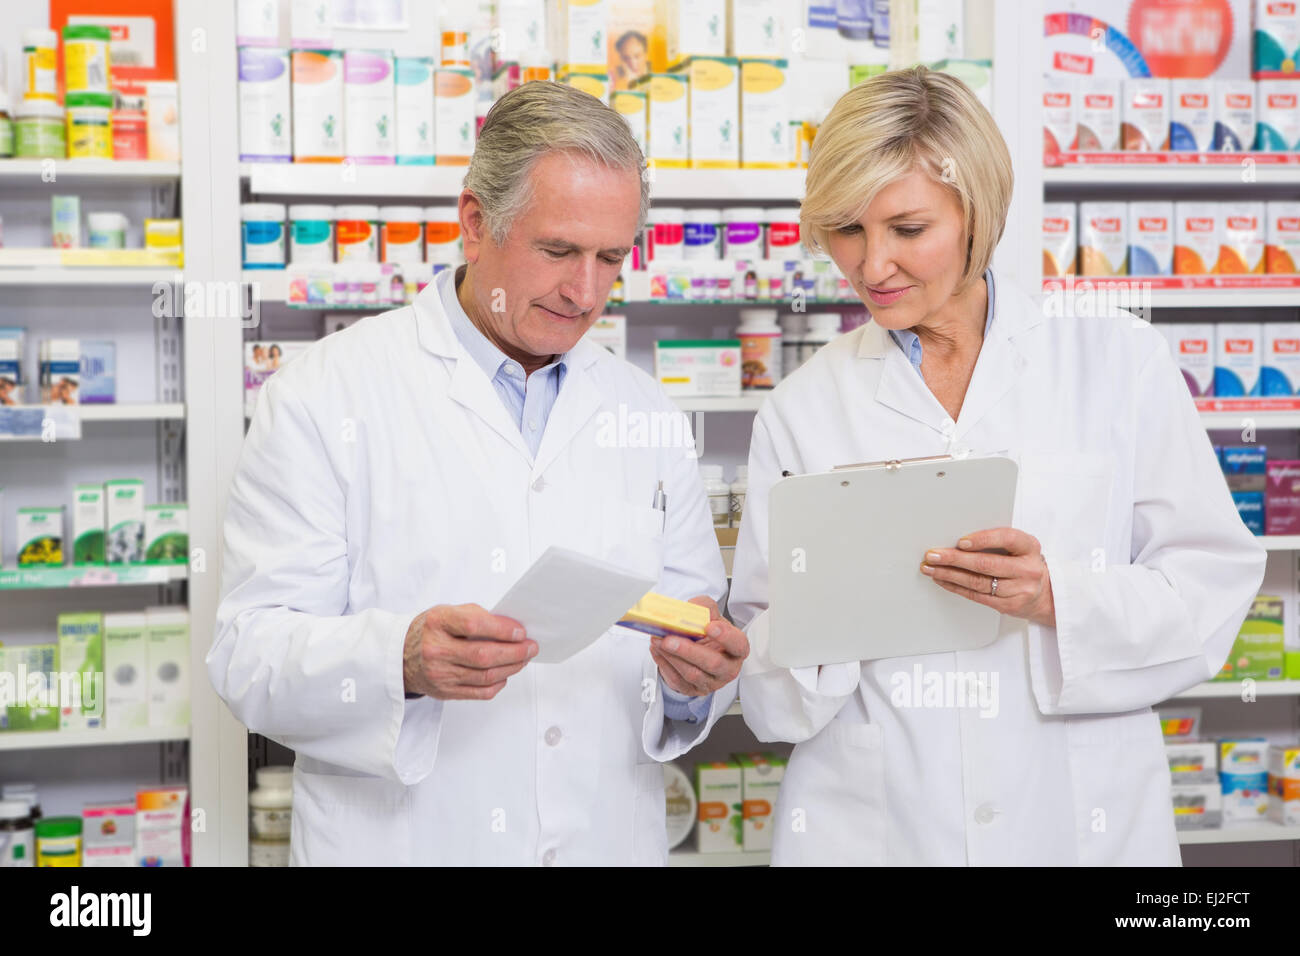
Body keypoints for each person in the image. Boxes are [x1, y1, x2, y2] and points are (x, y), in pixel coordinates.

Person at [728, 67, 1267, 866]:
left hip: (1078, 819)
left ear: (976, 214)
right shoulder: (803, 408)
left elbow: (1210, 588)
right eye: (846, 229)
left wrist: (1059, 597)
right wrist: (820, 622)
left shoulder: (1117, 361)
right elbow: (769, 696)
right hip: (876, 829)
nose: (872, 265)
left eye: (908, 229)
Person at [209, 82, 748, 866]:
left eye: (610, 258)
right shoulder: (326, 395)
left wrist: (696, 677)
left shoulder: (644, 411)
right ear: (474, 221)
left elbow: (688, 625)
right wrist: (399, 657)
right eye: (559, 251)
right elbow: (247, 655)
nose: (586, 291)